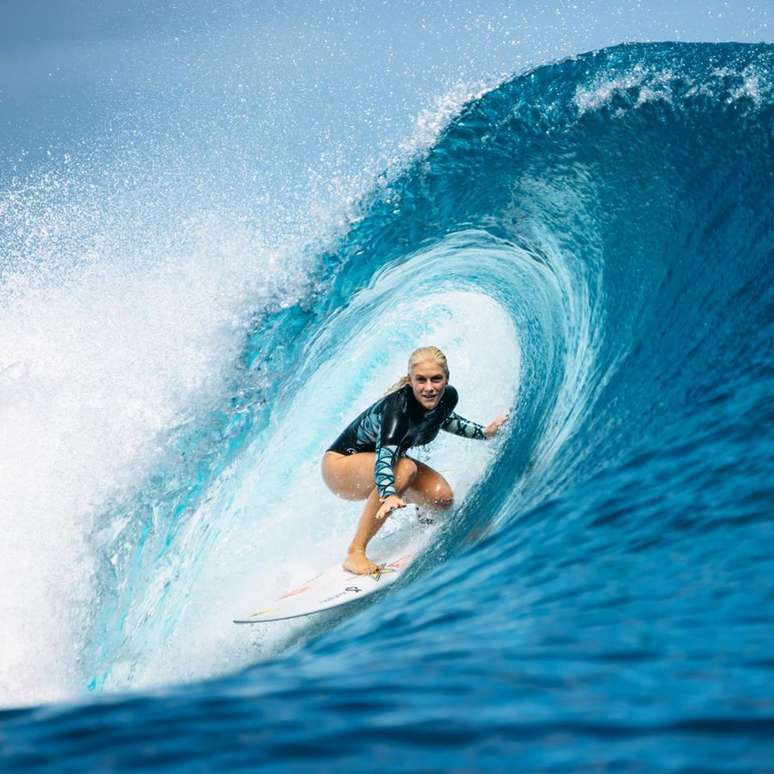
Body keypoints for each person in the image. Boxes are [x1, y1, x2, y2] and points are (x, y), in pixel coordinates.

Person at [321, 346, 509, 574]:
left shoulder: (447, 397)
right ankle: (355, 553)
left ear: (446, 378)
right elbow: (384, 458)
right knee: (405, 468)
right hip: (340, 466)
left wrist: (484, 432)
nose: (429, 387)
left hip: (379, 464)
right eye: (421, 380)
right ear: (410, 381)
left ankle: (422, 524)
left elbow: (443, 420)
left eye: (436, 379)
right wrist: (388, 493)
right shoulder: (397, 410)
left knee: (441, 498)